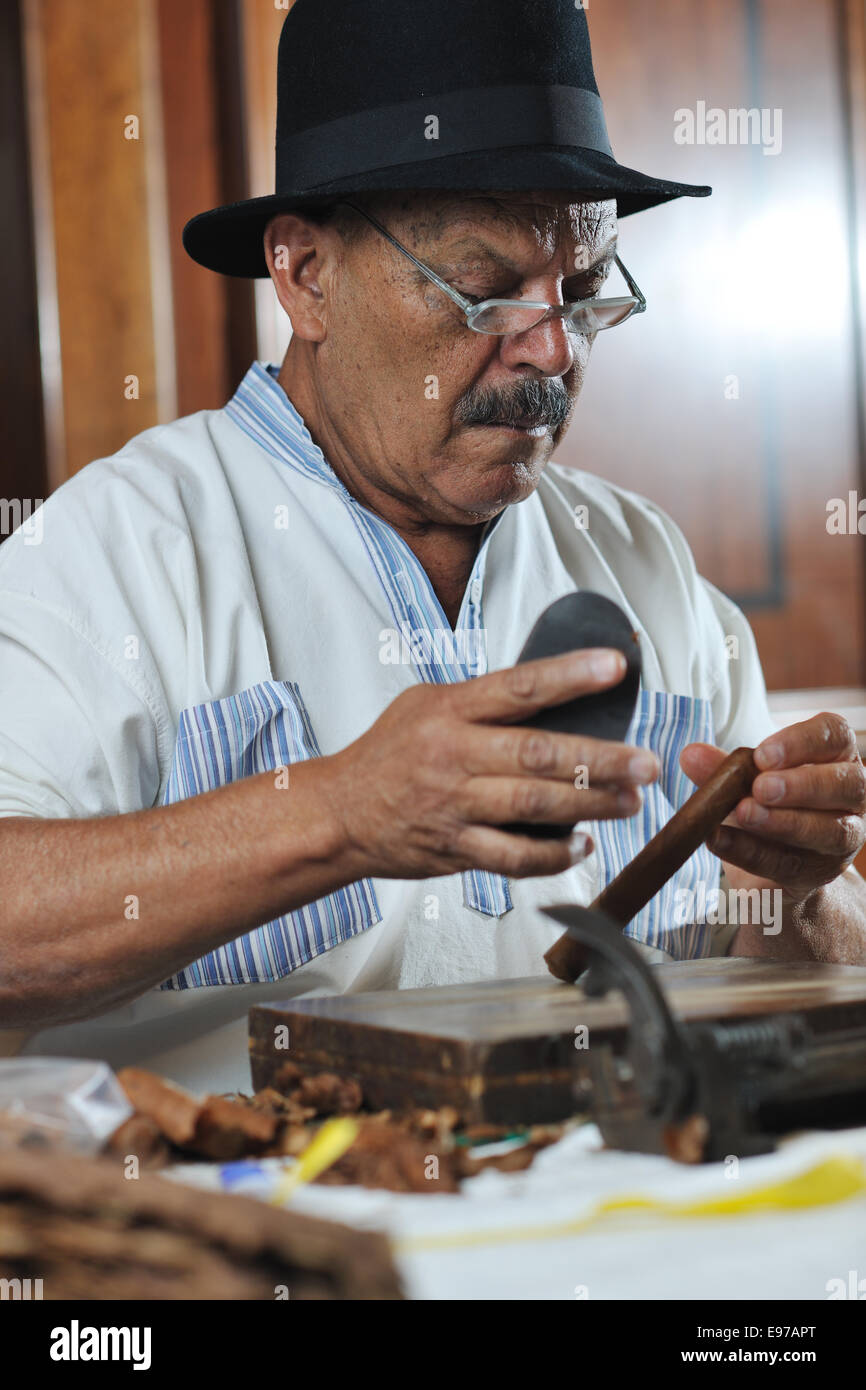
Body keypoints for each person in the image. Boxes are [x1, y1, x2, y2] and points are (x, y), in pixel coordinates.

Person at [3, 0, 864, 1092]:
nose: (548, 351)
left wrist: (789, 893)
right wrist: (339, 813)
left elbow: (793, 977)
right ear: (307, 275)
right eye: (487, 289)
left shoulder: (643, 562)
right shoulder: (117, 552)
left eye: (582, 287)